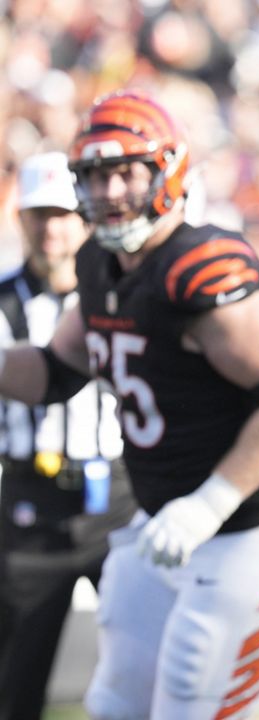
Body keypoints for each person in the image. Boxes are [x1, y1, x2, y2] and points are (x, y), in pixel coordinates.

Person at [0, 90, 259, 718]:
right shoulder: (100, 264)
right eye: (94, 176)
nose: (107, 191)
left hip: (254, 527)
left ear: (167, 171)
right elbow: (54, 372)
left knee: (191, 702)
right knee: (115, 702)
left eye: (124, 172)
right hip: (161, 524)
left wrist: (206, 506)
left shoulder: (199, 263)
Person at [0, 152, 137, 720]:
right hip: (31, 500)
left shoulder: (121, 292)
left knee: (142, 665)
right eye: (40, 214)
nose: (52, 229)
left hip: (123, 499)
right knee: (14, 677)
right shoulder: (4, 300)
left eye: (62, 214)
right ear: (21, 220)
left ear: (84, 217)